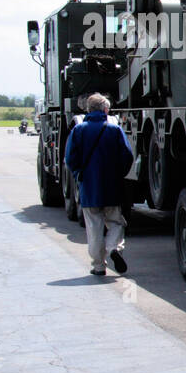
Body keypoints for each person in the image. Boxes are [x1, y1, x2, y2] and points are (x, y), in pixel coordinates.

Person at [64, 94, 134, 277]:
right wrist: (120, 174)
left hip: (89, 186)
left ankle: (99, 266)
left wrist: (79, 174)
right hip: (112, 185)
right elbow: (127, 155)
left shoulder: (78, 130)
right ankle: (113, 248)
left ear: (88, 109)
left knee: (94, 227)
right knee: (116, 221)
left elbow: (70, 158)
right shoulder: (114, 129)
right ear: (105, 109)